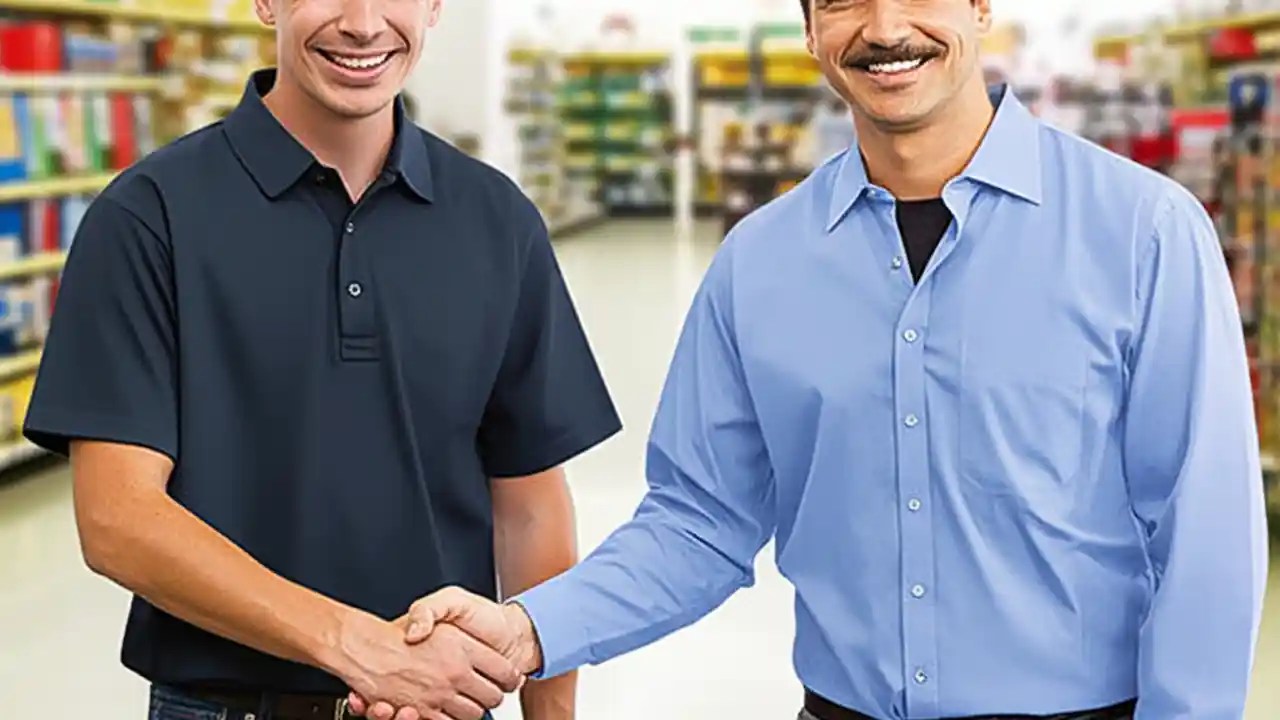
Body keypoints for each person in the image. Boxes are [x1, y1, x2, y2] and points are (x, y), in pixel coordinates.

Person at [354, 1, 1271, 719]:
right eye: (842, 2)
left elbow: (1204, 541)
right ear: (810, 31)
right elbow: (698, 525)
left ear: (981, 6)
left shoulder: (1142, 233)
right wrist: (525, 630)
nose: (883, 29)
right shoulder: (761, 263)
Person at [22, 0, 620, 719]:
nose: (364, 24)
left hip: (445, 707)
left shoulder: (498, 221)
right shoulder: (149, 217)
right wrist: (358, 648)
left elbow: (529, 510)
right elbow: (119, 519)